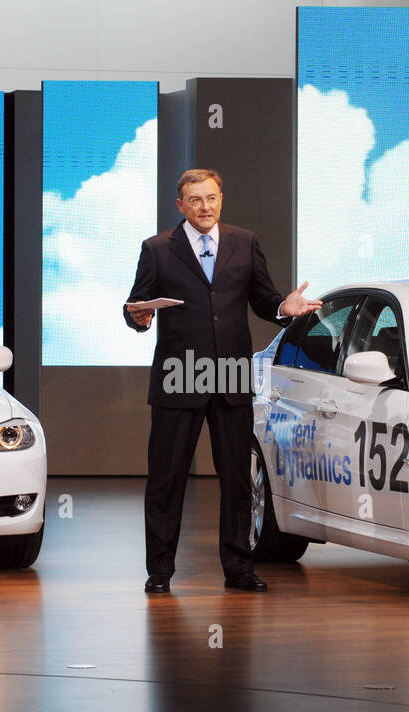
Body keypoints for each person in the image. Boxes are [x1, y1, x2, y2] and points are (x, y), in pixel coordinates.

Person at [124, 169, 321, 593]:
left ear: (221, 199)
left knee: (235, 476)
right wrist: (137, 316)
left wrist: (285, 307)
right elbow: (136, 306)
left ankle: (239, 568)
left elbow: (264, 301)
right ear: (181, 205)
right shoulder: (158, 249)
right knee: (166, 478)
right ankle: (159, 573)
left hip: (230, 375)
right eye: (195, 200)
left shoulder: (244, 242)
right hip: (181, 375)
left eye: (211, 198)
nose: (204, 207)